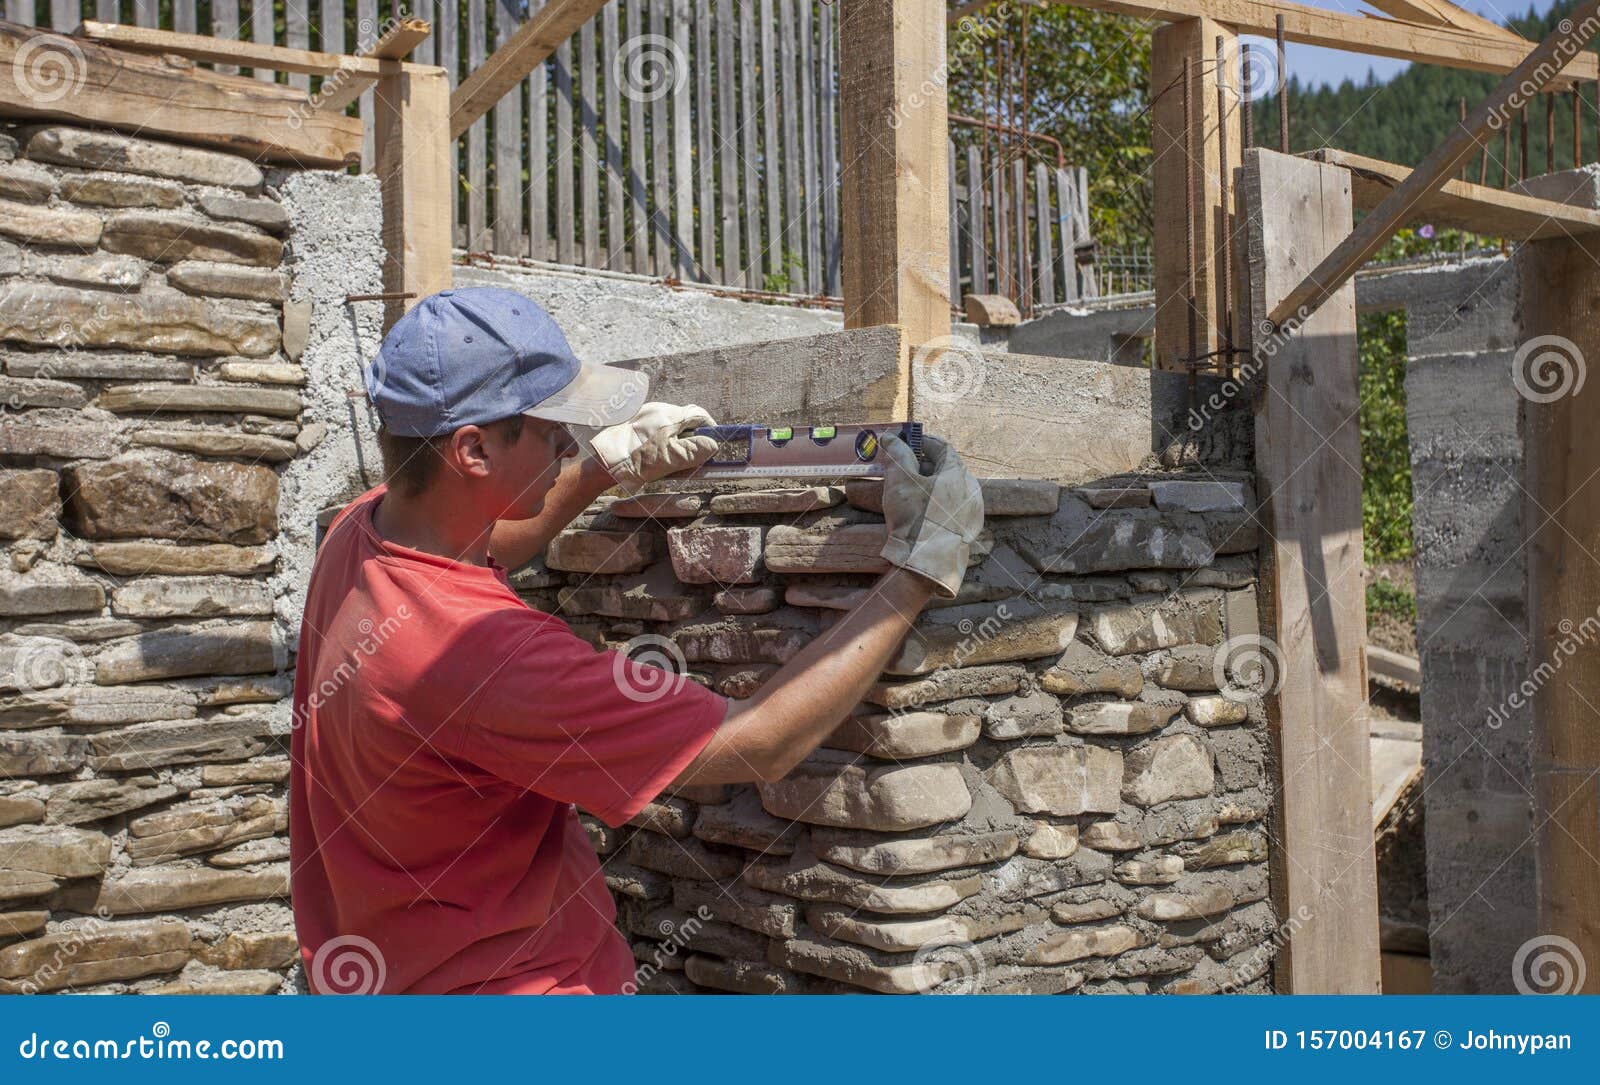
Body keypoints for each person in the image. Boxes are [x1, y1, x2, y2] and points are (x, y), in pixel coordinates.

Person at [289, 286, 984, 994]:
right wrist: (918, 571)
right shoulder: (485, 654)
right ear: (471, 449)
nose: (568, 440)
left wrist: (599, 470)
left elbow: (487, 537)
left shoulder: (361, 532)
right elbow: (759, 741)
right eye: (551, 426)